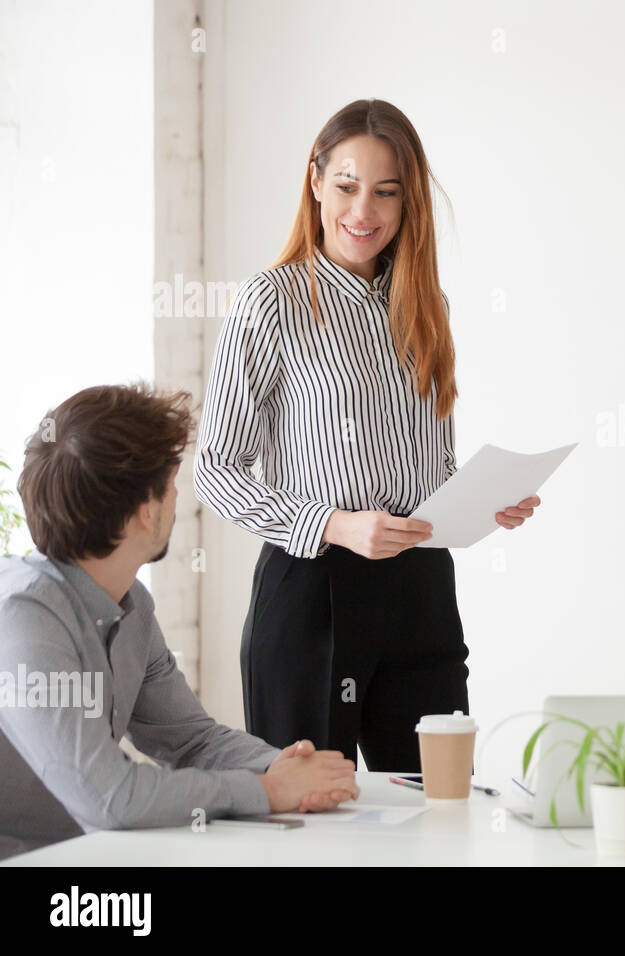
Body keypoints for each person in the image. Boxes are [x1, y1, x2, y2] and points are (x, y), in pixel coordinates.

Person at [193, 98, 540, 773]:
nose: (364, 211)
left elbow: (427, 466)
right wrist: (336, 525)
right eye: (348, 186)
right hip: (312, 593)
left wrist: (478, 506)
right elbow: (216, 470)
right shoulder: (272, 302)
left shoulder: (426, 306)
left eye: (386, 192)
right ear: (316, 181)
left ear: (409, 201)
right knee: (312, 819)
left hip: (422, 593)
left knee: (436, 802)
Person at [0, 383, 358, 861]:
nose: (177, 500)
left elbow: (190, 739)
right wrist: (268, 793)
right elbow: (110, 796)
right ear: (146, 513)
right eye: (171, 486)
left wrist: (285, 766)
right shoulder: (22, 615)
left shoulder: (130, 605)